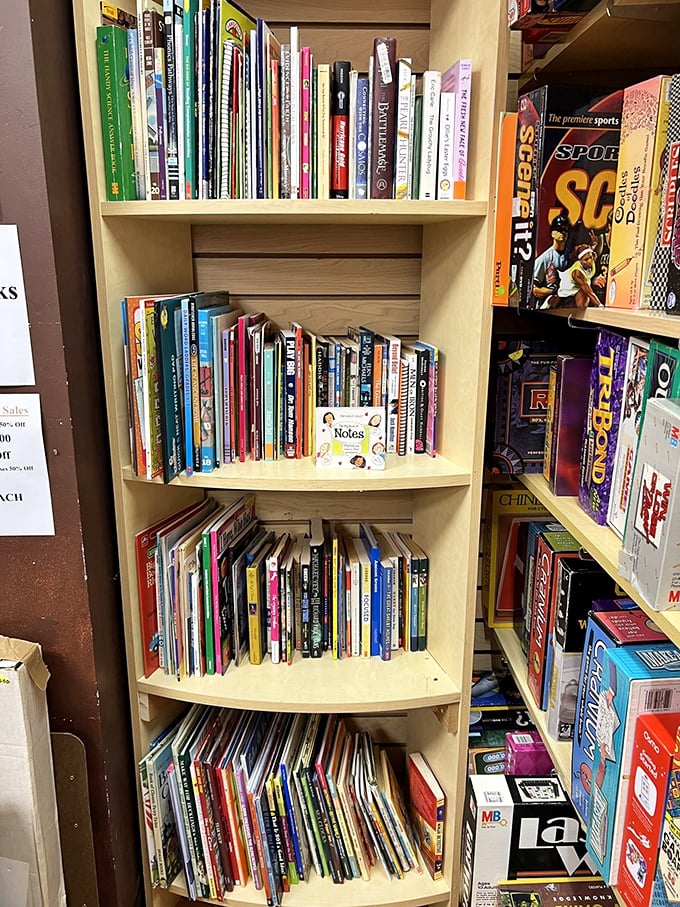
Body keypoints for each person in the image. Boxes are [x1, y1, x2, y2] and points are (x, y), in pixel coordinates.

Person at [532, 213, 570, 309]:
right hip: (546, 307)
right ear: (552, 233)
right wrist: (554, 292)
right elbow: (534, 290)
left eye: (566, 230)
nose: (563, 232)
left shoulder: (571, 255)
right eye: (559, 229)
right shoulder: (544, 258)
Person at [553, 244, 602, 308]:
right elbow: (589, 292)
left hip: (579, 286)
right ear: (580, 260)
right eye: (586, 259)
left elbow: (591, 253)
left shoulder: (591, 260)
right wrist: (600, 305)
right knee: (585, 293)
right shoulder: (577, 273)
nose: (590, 261)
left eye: (591, 257)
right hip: (568, 290)